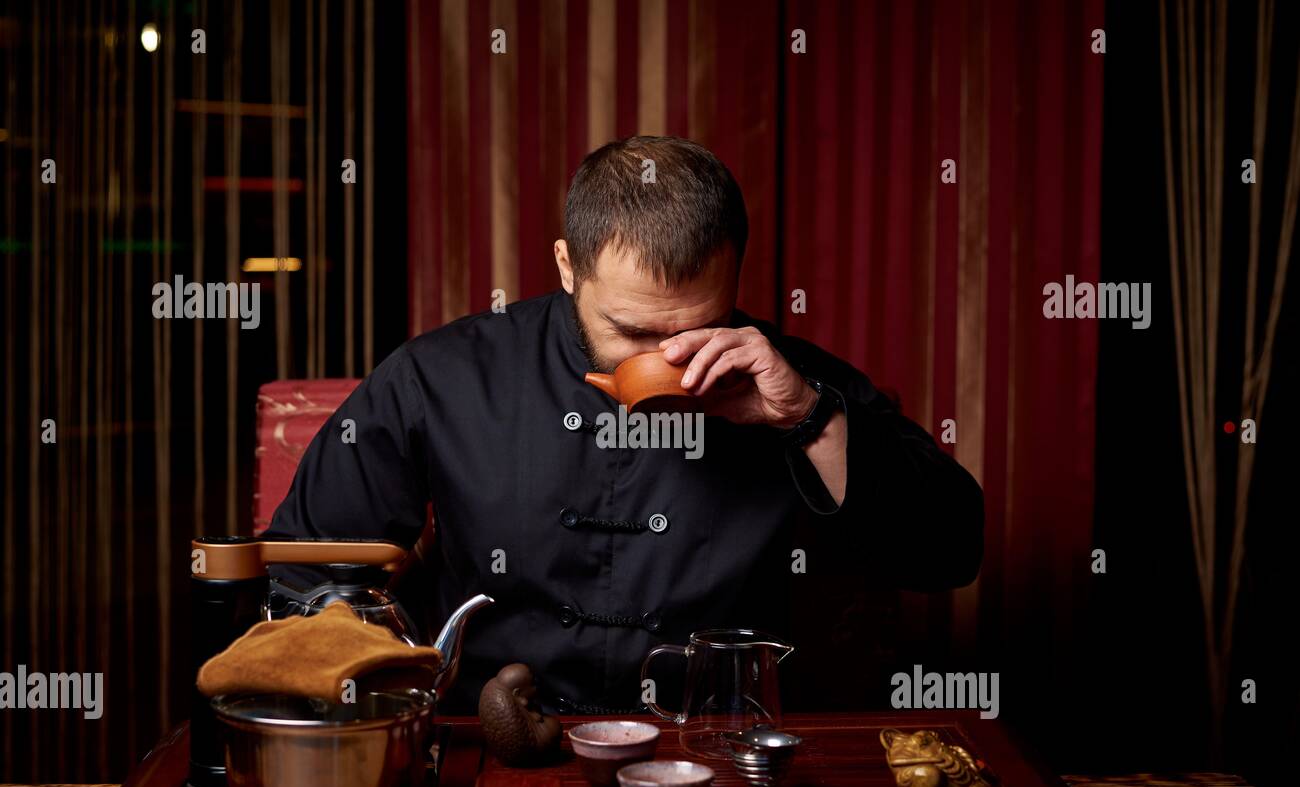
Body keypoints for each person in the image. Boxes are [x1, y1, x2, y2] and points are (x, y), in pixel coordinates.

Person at [267, 135, 983, 715]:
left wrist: (808, 416)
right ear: (568, 266)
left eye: (698, 327)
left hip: (714, 755)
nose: (665, 360)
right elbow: (303, 570)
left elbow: (950, 551)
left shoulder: (788, 380)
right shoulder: (442, 376)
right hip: (492, 750)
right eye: (632, 331)